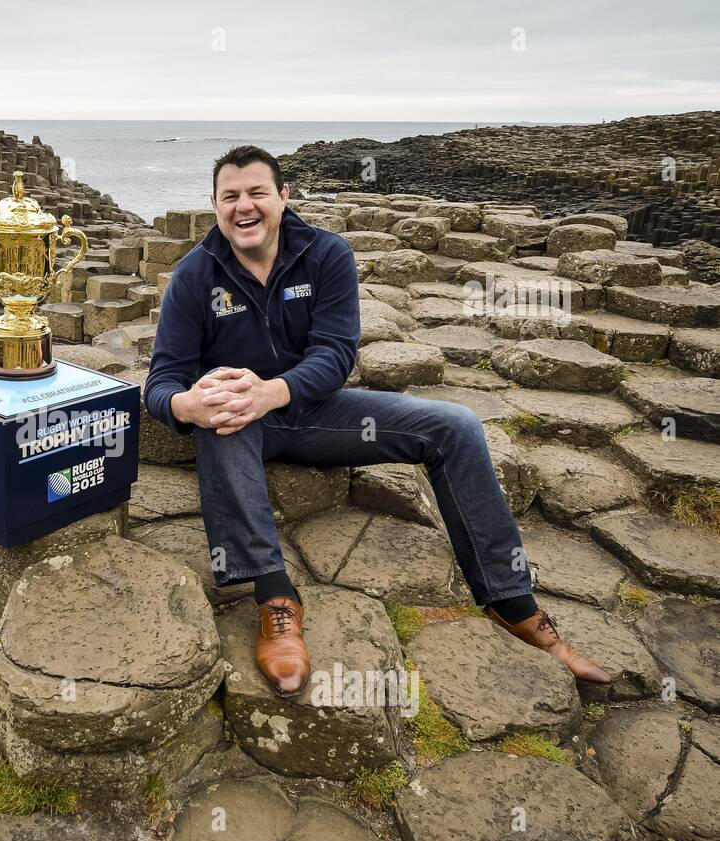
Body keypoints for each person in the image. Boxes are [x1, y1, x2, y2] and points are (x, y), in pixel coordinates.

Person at [143, 144, 612, 696]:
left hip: (315, 411)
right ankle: (275, 596)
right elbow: (162, 381)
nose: (244, 207)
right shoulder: (195, 275)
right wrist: (186, 406)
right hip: (241, 426)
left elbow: (335, 355)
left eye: (256, 193)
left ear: (283, 197)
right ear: (215, 205)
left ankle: (512, 603)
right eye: (230, 197)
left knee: (455, 425)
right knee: (222, 412)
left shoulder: (327, 254)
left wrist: (276, 390)